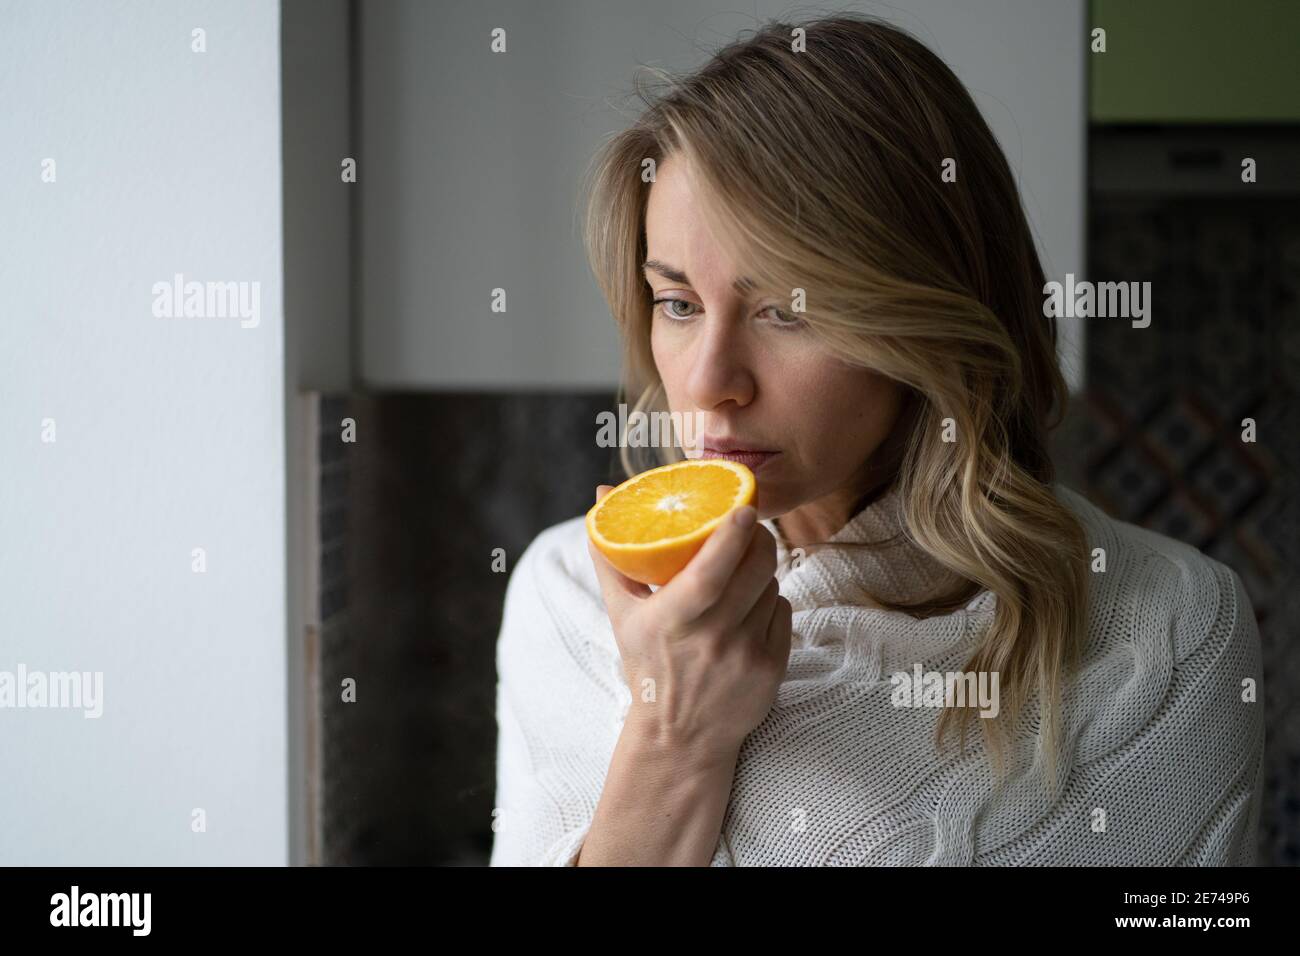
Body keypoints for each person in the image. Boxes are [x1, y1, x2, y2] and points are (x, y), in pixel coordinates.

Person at [489, 13, 1264, 866]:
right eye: (678, 303)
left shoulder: (1168, 629)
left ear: (927, 325)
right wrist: (673, 733)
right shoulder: (564, 598)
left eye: (786, 310)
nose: (711, 382)